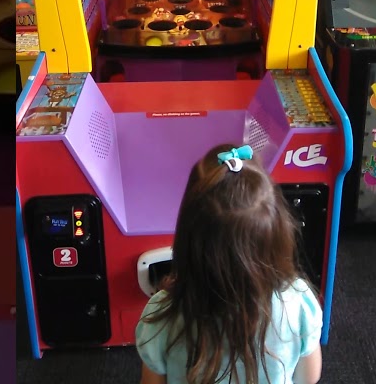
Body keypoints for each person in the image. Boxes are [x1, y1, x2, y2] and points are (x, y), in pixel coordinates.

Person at [136, 144, 323, 384]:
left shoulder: (161, 315)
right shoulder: (299, 302)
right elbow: (308, 378)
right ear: (278, 234)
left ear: (188, 237)